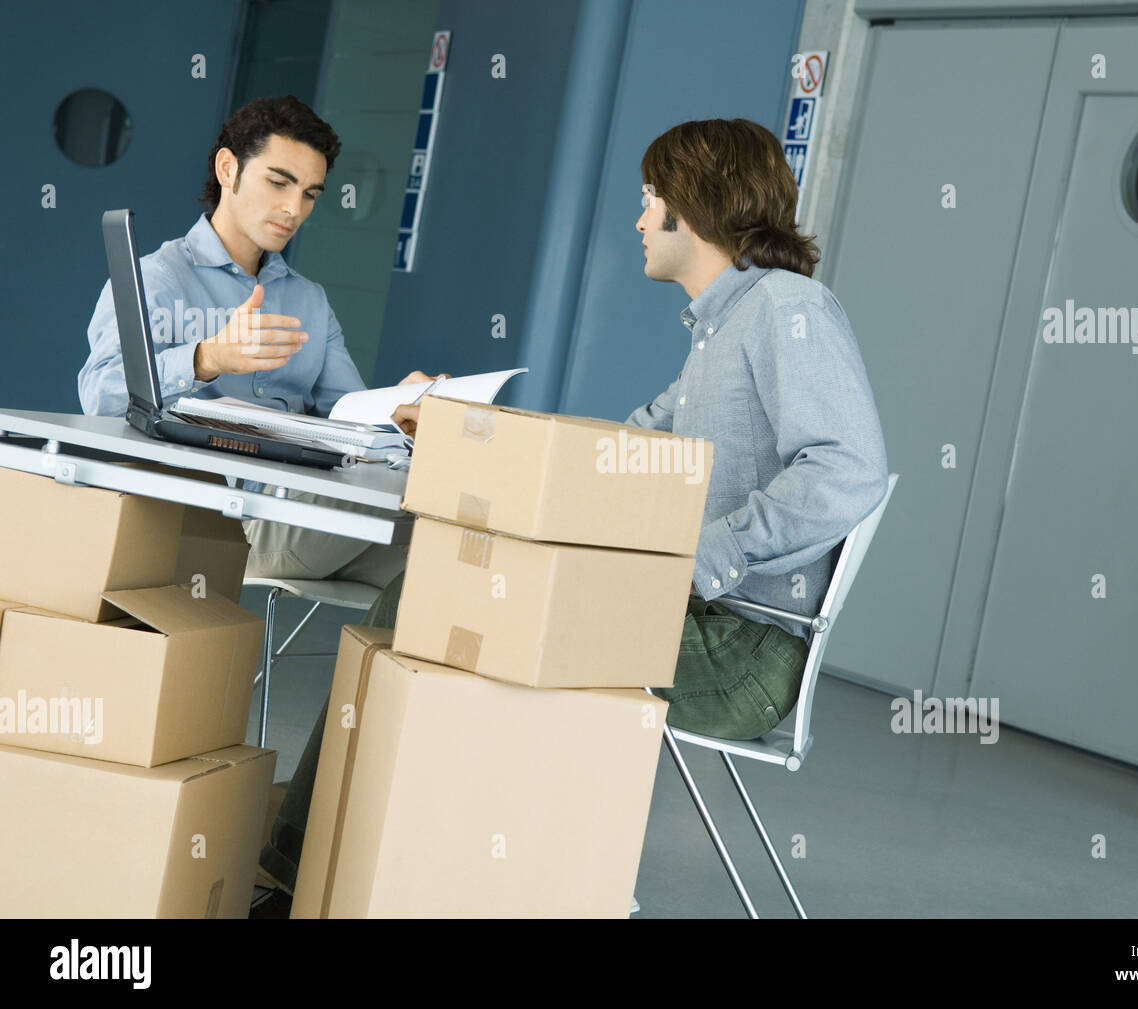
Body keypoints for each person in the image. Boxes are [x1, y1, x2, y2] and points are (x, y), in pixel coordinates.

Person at [253, 117, 888, 912]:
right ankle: (334, 873)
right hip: (688, 623)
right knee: (419, 594)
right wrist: (452, 424)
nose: (638, 219)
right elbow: (608, 450)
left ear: (695, 206)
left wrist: (705, 555)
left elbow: (849, 469)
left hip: (741, 651)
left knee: (425, 600)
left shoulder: (787, 309)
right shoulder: (716, 332)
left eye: (650, 198)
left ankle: (296, 875)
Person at [78, 95, 441, 589]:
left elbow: (350, 422)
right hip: (216, 527)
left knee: (447, 551)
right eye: (278, 182)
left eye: (311, 194)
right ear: (228, 169)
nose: (294, 209)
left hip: (303, 513)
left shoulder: (309, 300)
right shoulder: (156, 279)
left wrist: (400, 410)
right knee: (418, 501)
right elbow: (98, 394)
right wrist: (208, 358)